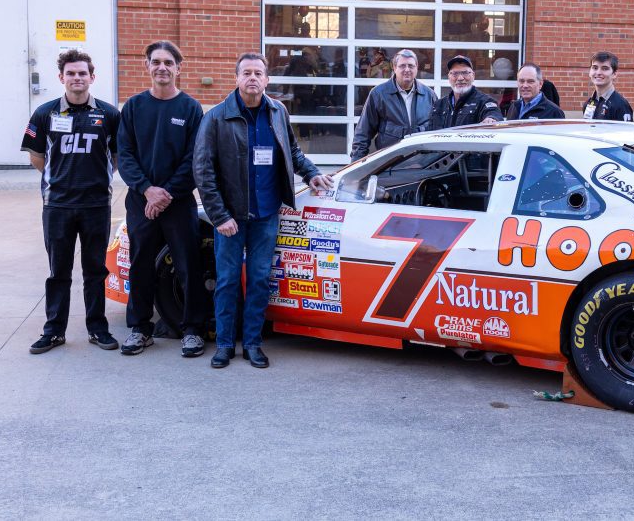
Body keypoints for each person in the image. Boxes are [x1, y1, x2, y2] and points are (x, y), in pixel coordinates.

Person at [194, 53, 334, 369]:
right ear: (236, 78)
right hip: (230, 217)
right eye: (246, 73)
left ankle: (253, 343)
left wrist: (311, 173)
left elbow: (292, 152)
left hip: (267, 214)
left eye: (258, 73)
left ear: (267, 79)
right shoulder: (216, 118)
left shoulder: (278, 112)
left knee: (259, 280)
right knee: (228, 281)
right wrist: (219, 215)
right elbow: (203, 171)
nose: (253, 78)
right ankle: (225, 344)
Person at [20, 49, 120, 354]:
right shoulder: (45, 113)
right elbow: (37, 157)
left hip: (96, 205)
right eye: (71, 73)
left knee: (95, 271)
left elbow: (117, 157)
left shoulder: (109, 115)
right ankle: (54, 331)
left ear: (92, 77)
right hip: (57, 206)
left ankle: (97, 329)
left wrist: (97, 177)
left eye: (82, 73)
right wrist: (61, 178)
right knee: (58, 272)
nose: (77, 78)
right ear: (61, 77)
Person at [117, 40, 206, 358]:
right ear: (147, 66)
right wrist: (147, 190)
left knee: (188, 265)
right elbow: (124, 155)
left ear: (179, 68)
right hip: (141, 201)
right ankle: (140, 329)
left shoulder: (191, 109)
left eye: (169, 63)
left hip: (178, 202)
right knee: (140, 264)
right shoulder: (133, 107)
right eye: (156, 62)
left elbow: (194, 159)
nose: (162, 68)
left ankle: (192, 331)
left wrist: (166, 193)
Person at [350, 49, 437, 160]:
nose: (407, 69)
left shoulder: (429, 95)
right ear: (394, 67)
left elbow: (437, 131)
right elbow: (363, 133)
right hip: (389, 163)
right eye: (402, 66)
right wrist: (356, 163)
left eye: (411, 66)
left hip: (421, 163)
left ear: (417, 67)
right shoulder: (379, 94)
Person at [429, 55, 504, 129]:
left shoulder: (485, 102)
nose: (460, 78)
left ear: (473, 76)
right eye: (455, 73)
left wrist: (491, 119)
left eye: (465, 73)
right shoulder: (439, 105)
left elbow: (493, 114)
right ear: (449, 77)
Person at [582, 51, 633, 121]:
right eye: (595, 68)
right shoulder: (588, 104)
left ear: (614, 74)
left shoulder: (620, 105)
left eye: (605, 68)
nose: (598, 72)